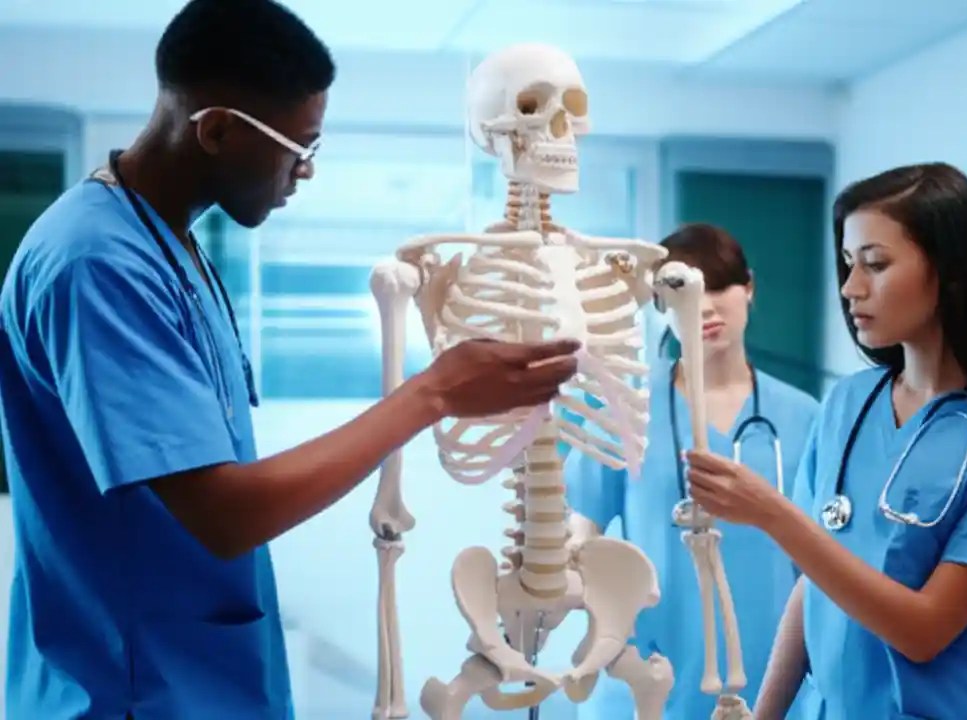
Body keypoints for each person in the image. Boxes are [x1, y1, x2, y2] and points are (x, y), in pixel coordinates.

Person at [0, 1, 579, 717]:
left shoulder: (167, 245)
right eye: (296, 147)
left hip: (198, 679)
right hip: (132, 691)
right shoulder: (96, 264)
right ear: (216, 130)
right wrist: (432, 394)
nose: (305, 171)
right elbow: (226, 514)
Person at [685, 162, 967, 719]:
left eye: (876, 264)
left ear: (951, 270)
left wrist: (772, 514)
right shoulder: (848, 402)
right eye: (848, 264)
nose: (850, 288)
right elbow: (813, 587)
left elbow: (925, 631)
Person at [564, 223, 821, 719]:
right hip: (645, 683)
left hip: (775, 684)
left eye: (720, 286)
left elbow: (821, 559)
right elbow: (581, 535)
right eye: (683, 293)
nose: (704, 307)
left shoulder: (805, 417)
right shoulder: (627, 407)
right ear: (659, 305)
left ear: (749, 287)